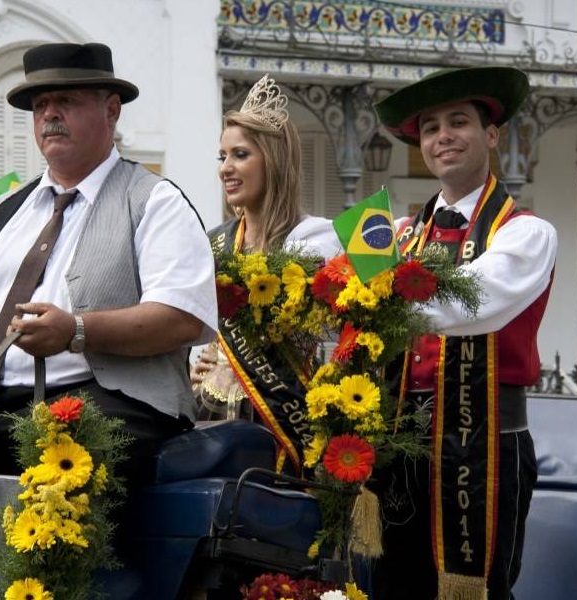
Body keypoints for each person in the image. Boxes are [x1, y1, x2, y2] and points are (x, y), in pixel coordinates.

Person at [0, 42, 217, 485]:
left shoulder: (155, 200)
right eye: (40, 105)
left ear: (112, 110)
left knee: (53, 513)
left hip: (105, 402)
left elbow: (181, 319)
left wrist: (76, 331)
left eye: (67, 101)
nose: (49, 115)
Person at [368, 66, 558, 600]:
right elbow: (343, 316)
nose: (443, 137)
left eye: (459, 122)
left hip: (486, 442)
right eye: (430, 129)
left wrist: (372, 296)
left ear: (492, 135)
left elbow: (475, 302)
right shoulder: (396, 233)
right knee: (392, 586)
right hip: (400, 444)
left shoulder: (526, 232)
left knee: (475, 589)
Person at [190, 75, 342, 474]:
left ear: (273, 160)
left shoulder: (315, 238)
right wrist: (193, 362)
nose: (226, 168)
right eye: (221, 157)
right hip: (210, 414)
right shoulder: (216, 242)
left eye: (240, 155)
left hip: (278, 419)